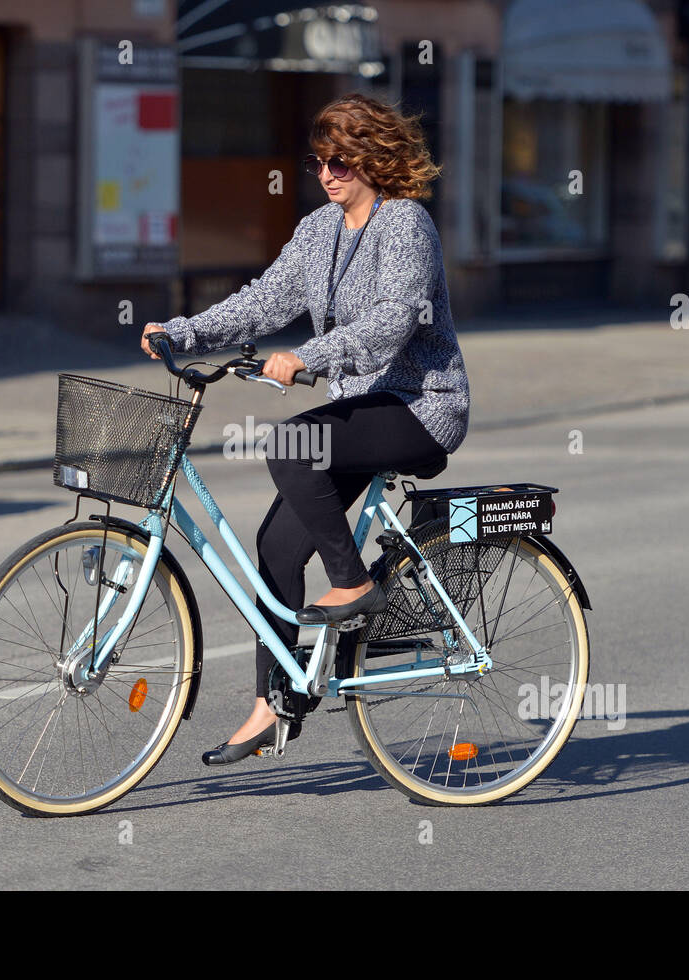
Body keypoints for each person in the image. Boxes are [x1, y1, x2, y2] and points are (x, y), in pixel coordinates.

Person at [141, 93, 470, 766]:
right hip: (361, 406)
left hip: (420, 406)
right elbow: (266, 298)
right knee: (275, 547)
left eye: (342, 160)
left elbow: (392, 321)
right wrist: (186, 331)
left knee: (289, 447)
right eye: (319, 160)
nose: (328, 173)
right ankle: (275, 702)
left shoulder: (405, 224)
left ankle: (353, 585)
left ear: (374, 159)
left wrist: (309, 357)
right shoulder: (321, 229)